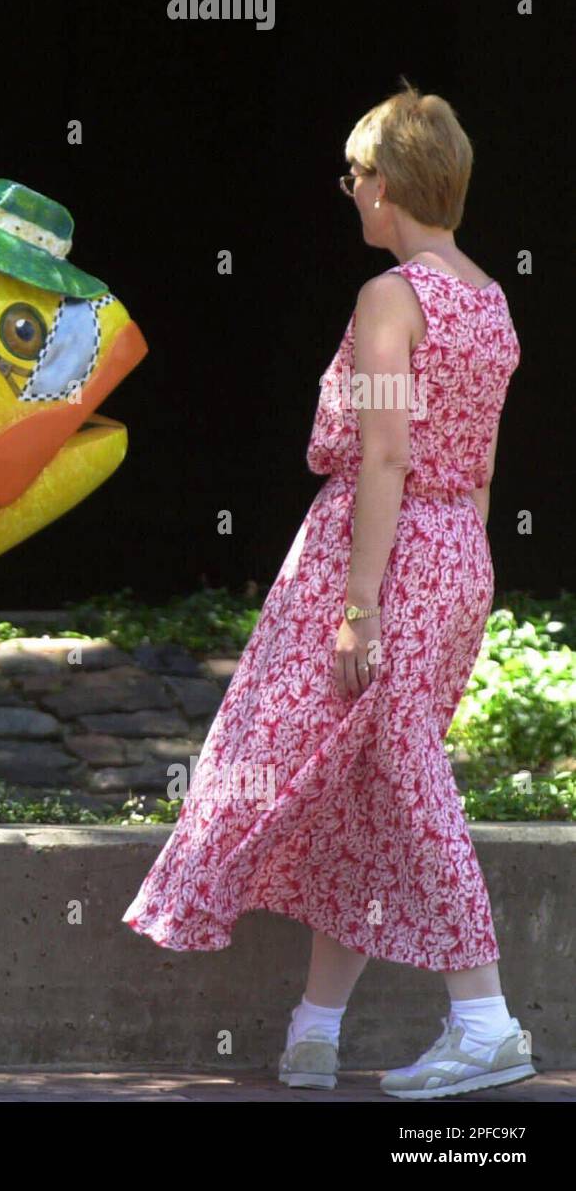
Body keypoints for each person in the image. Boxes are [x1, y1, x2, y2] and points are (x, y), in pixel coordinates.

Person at [119, 76, 532, 1099]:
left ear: (385, 183)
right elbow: (475, 464)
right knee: (359, 781)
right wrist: (460, 582)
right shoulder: (489, 298)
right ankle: (315, 1029)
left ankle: (484, 1019)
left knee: (393, 775)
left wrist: (359, 607)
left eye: (353, 175)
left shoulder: (391, 298)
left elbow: (385, 455)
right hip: (453, 558)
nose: (347, 191)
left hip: (378, 558)